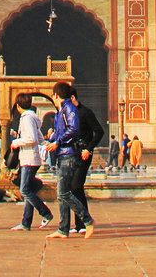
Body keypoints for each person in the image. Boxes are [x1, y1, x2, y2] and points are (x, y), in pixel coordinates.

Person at [45, 80, 95, 239]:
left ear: (56, 95)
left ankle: (87, 220)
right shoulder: (61, 110)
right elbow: (63, 131)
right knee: (62, 194)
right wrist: (53, 139)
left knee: (63, 193)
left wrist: (58, 142)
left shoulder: (69, 109)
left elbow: (74, 129)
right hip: (62, 153)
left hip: (69, 154)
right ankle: (63, 229)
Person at [9, 93, 53, 230]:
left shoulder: (26, 119)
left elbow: (32, 139)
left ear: (18, 105)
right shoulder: (32, 118)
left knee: (25, 190)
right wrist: (47, 145)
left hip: (29, 159)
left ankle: (46, 213)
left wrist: (16, 142)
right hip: (31, 158)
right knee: (28, 190)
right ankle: (26, 222)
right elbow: (39, 138)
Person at [70, 88, 104, 233]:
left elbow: (99, 131)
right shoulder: (69, 114)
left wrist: (89, 149)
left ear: (72, 98)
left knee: (76, 186)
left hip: (84, 153)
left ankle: (84, 222)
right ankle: (79, 225)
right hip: (73, 153)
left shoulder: (85, 112)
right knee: (74, 188)